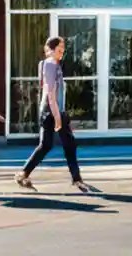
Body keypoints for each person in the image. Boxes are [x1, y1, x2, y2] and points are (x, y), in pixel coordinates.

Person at [15, 37, 88, 191]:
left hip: (52, 110)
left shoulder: (53, 64)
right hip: (52, 111)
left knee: (48, 145)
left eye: (63, 48)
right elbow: (50, 91)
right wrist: (57, 116)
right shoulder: (50, 64)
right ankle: (76, 179)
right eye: (59, 48)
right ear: (51, 49)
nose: (62, 51)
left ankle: (23, 174)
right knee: (67, 144)